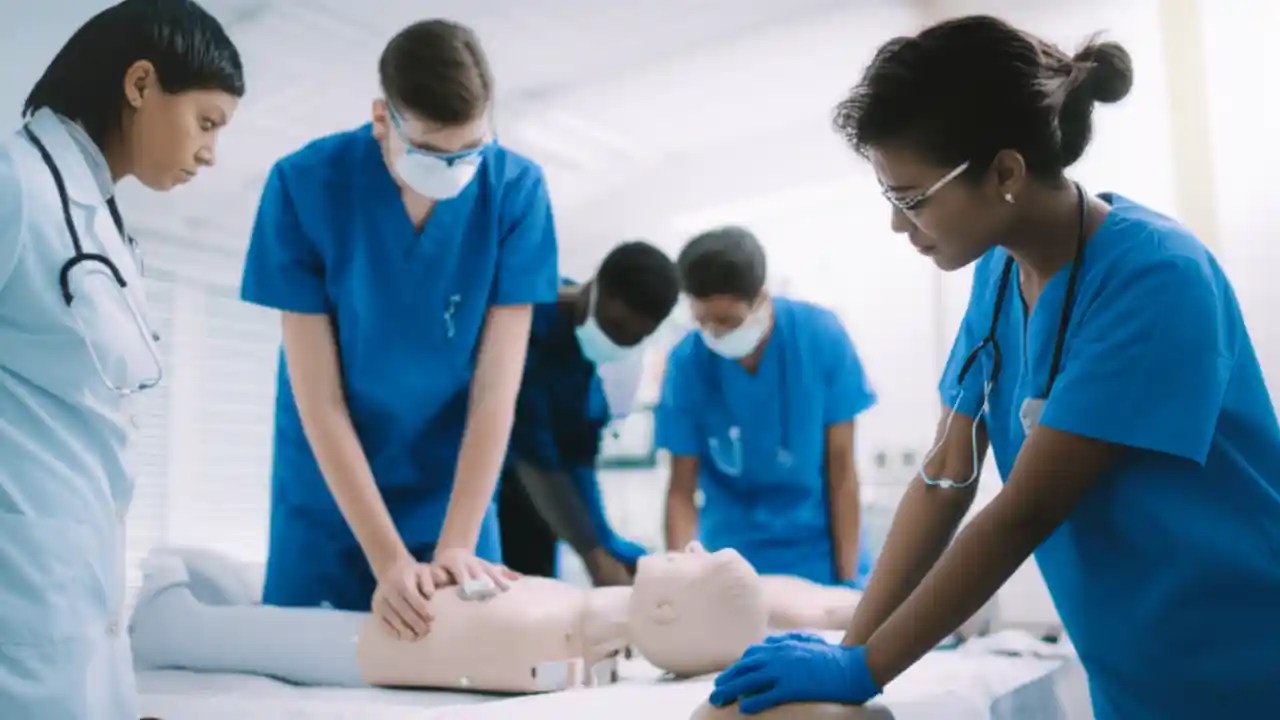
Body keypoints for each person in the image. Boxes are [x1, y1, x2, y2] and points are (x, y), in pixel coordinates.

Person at [708, 15, 1280, 719]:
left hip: (1247, 659)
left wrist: (867, 669)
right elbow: (945, 478)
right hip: (1136, 673)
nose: (898, 224)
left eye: (911, 198)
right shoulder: (1000, 276)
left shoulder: (1156, 277)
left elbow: (1025, 512)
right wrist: (848, 651)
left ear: (1005, 172)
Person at [240, 18, 558, 643]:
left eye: (471, 151)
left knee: (458, 667)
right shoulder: (305, 184)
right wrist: (388, 559)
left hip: (455, 497)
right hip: (331, 497)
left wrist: (458, 541)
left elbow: (496, 390)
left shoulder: (516, 190)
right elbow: (320, 399)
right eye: (433, 154)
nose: (455, 170)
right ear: (382, 119)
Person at [0, 1, 244, 717]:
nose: (210, 154)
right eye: (206, 123)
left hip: (71, 578)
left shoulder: (104, 223)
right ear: (140, 84)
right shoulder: (16, 182)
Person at [657, 226, 876, 589]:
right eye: (702, 322)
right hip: (730, 561)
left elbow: (842, 470)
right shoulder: (687, 363)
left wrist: (847, 582)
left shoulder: (820, 336)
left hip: (818, 554)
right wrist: (678, 582)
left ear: (761, 299)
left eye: (727, 322)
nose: (715, 334)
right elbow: (681, 489)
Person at [498, 240, 680, 586]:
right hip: (486, 490)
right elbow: (533, 457)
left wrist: (606, 542)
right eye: (615, 325)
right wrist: (593, 554)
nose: (619, 339)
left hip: (535, 507)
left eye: (634, 337)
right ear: (594, 286)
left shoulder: (589, 358)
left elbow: (577, 457)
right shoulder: (522, 316)